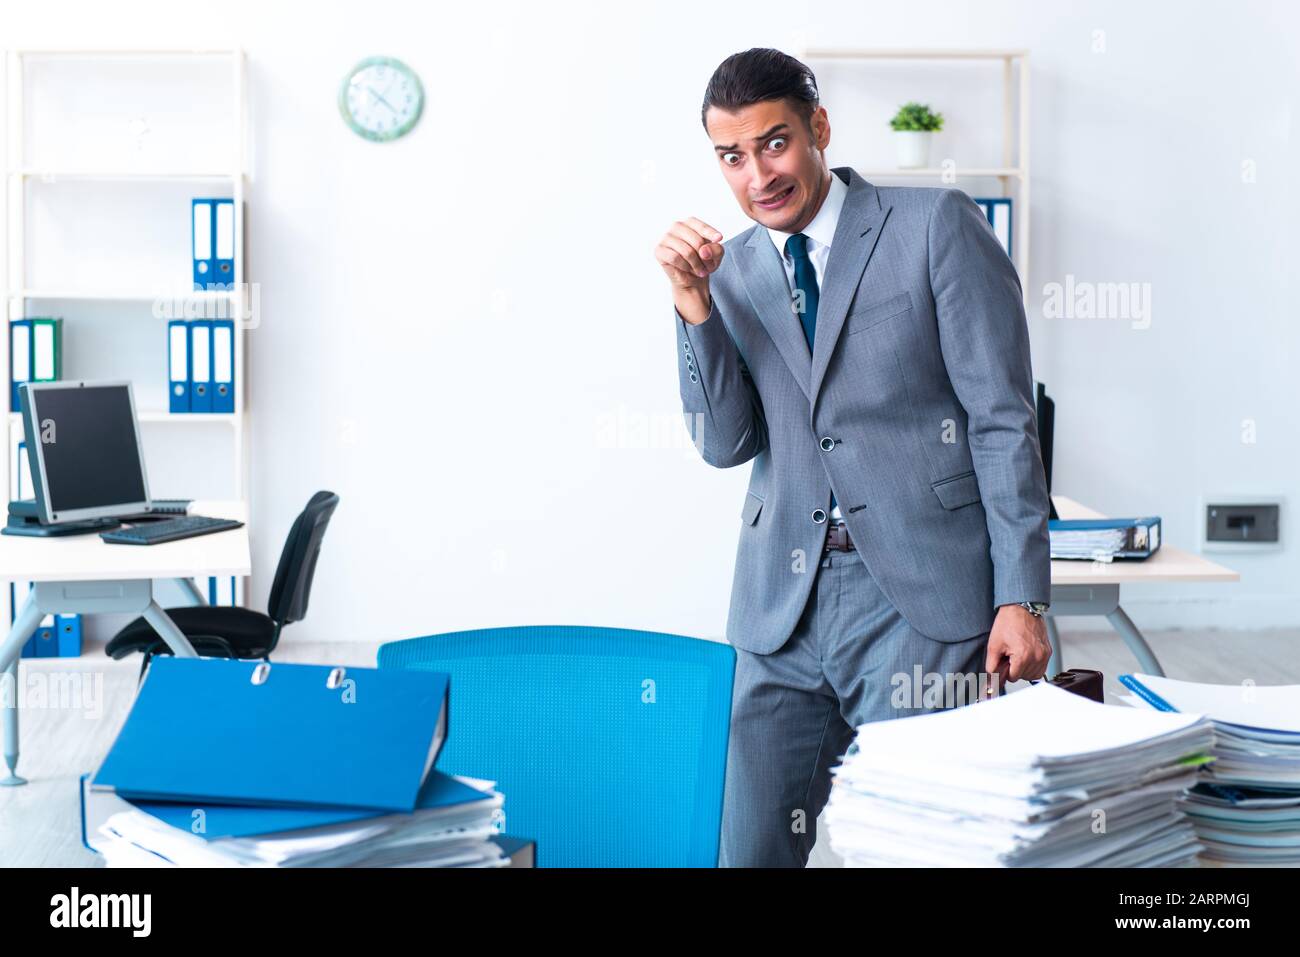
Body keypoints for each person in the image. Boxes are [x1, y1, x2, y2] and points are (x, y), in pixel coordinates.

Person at [653, 47, 1053, 867]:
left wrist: (1022, 595)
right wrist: (691, 307)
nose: (758, 174)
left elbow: (1002, 420)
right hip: (779, 607)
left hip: (920, 600)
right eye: (733, 156)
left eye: (775, 143)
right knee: (751, 851)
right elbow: (724, 442)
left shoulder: (933, 225)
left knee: (925, 848)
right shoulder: (729, 272)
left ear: (819, 129)